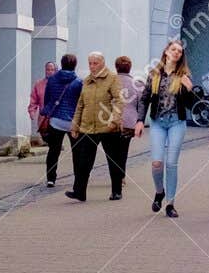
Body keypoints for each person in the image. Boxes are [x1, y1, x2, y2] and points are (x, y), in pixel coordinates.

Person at [135, 39, 195, 217]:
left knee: (171, 163)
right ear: (167, 51)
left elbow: (191, 105)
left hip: (177, 122)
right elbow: (144, 98)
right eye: (174, 49)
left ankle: (170, 203)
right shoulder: (154, 74)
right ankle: (159, 191)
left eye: (180, 51)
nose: (177, 52)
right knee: (156, 163)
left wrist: (189, 89)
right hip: (158, 123)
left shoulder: (184, 75)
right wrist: (139, 120)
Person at [66, 52, 123, 201]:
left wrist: (114, 120)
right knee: (83, 161)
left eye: (95, 63)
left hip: (108, 128)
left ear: (102, 63)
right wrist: (75, 125)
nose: (92, 66)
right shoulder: (86, 81)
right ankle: (79, 192)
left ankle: (116, 190)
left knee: (113, 160)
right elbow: (80, 105)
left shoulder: (112, 78)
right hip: (88, 127)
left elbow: (118, 100)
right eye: (90, 63)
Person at [41, 54, 81, 188]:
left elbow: (47, 100)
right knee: (77, 151)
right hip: (72, 121)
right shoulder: (79, 82)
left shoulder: (52, 80)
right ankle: (78, 178)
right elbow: (81, 103)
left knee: (53, 150)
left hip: (55, 120)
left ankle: (51, 178)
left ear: (61, 64)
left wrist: (49, 111)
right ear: (75, 65)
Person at [109, 55, 145, 197]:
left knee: (112, 150)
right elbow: (140, 104)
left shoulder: (110, 82)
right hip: (130, 121)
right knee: (123, 149)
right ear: (129, 67)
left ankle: (116, 176)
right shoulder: (137, 84)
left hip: (113, 120)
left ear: (116, 67)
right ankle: (121, 175)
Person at [28, 60, 56, 141]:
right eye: (48, 69)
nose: (50, 72)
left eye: (52, 70)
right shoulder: (39, 84)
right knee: (47, 140)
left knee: (54, 144)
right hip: (43, 120)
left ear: (55, 71)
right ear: (45, 70)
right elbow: (34, 99)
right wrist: (32, 111)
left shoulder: (59, 84)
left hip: (56, 119)